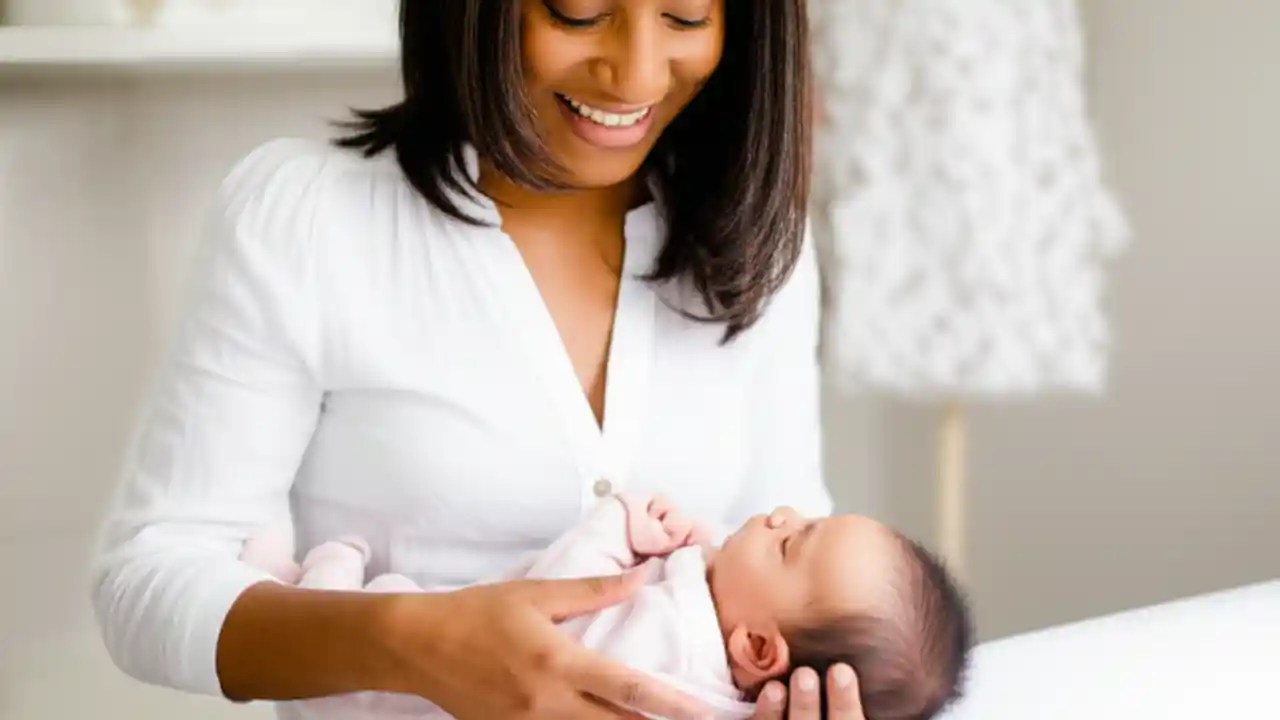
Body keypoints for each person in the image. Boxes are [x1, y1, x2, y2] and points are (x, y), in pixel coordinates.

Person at [90, 0, 869, 717]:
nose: (636, 74)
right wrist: (415, 643)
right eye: (580, 11)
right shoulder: (310, 218)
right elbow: (150, 581)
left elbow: (804, 564)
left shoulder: (762, 250)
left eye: (686, 16)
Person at [243, 496, 972, 719]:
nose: (781, 513)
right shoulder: (721, 672)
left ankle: (305, 579)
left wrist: (615, 527)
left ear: (757, 649)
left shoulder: (671, 638)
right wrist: (698, 540)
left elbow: (553, 608)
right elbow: (732, 579)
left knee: (362, 603)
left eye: (791, 542)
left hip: (387, 692)